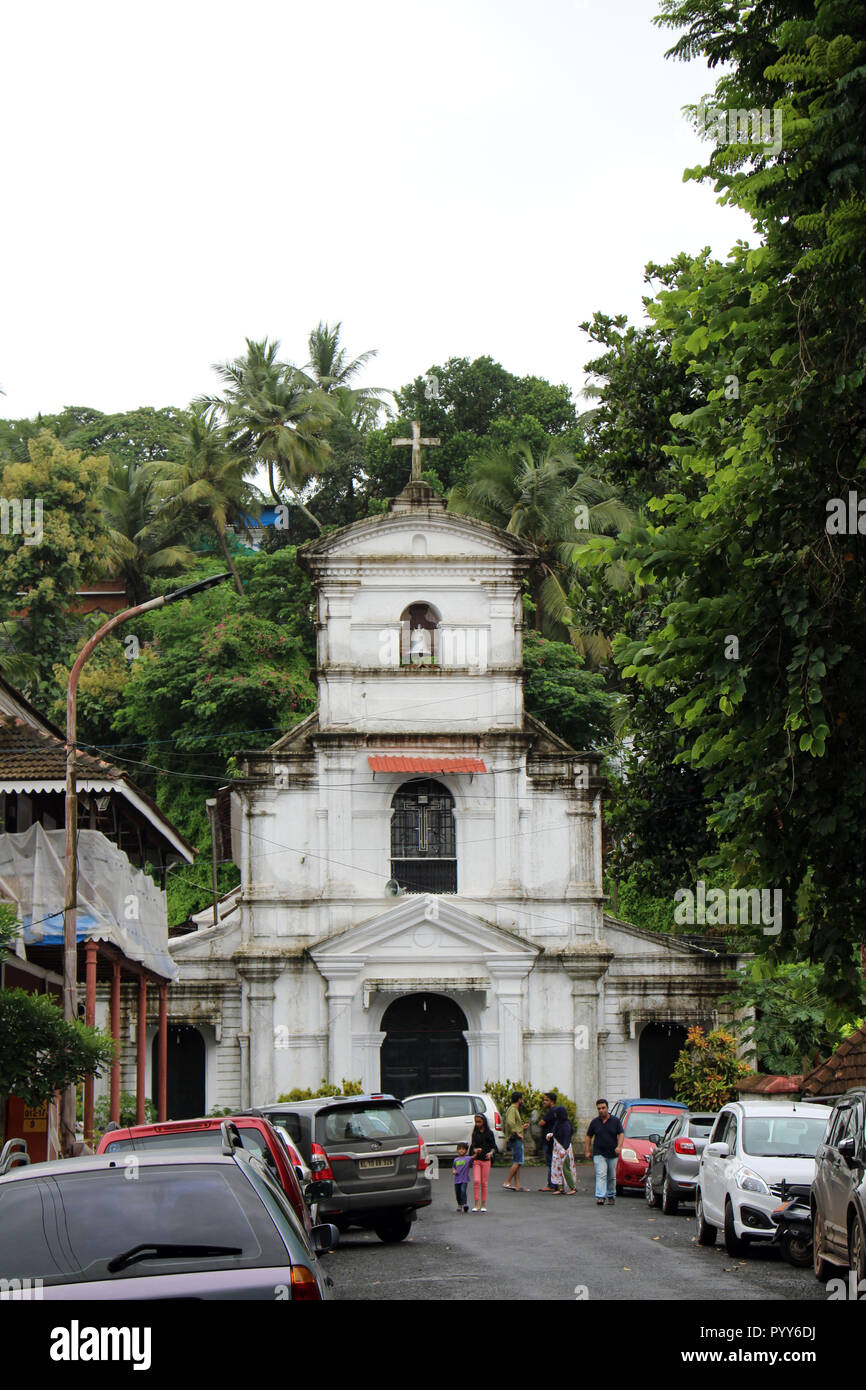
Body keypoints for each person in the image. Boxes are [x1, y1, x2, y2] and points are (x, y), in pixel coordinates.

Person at [585, 1097, 624, 1205]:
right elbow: (588, 1136)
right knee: (601, 1174)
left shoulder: (615, 1121)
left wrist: (619, 1146)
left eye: (603, 1108)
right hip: (599, 1153)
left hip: (612, 1153)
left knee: (611, 1176)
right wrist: (587, 1150)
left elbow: (621, 1133)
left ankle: (611, 1195)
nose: (601, 1110)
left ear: (607, 1108)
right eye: (599, 1108)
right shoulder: (595, 1122)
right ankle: (601, 1196)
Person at [545, 1096, 576, 1196]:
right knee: (557, 1168)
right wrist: (551, 1135)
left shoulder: (566, 1125)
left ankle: (572, 1187)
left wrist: (564, 1150)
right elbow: (557, 1133)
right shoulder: (558, 1123)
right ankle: (560, 1187)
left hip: (563, 1150)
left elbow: (567, 1138)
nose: (554, 1115)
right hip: (557, 1149)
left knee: (565, 1169)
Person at [467, 1112, 496, 1211]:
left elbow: (494, 1147)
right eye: (476, 1122)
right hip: (477, 1160)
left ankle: (483, 1204)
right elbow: (472, 1146)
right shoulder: (475, 1133)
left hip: (486, 1160)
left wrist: (490, 1153)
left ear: (484, 1121)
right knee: (476, 1181)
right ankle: (476, 1204)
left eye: (479, 1122)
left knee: (484, 1182)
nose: (477, 1124)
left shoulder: (489, 1133)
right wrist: (474, 1150)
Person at [503, 1091, 529, 1190]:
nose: (522, 1100)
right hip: (515, 1138)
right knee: (518, 1161)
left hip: (515, 1136)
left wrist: (521, 1127)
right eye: (522, 1099)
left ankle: (517, 1184)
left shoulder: (513, 1109)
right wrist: (517, 1132)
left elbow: (513, 1124)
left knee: (517, 1161)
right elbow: (510, 1122)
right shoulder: (513, 1109)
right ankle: (507, 1181)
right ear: (519, 1099)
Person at [452, 1142, 473, 1213]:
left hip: (464, 1179)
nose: (461, 1150)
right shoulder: (455, 1160)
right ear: (457, 1150)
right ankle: (459, 1205)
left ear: (466, 1151)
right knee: (457, 1193)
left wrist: (477, 1152)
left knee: (463, 1191)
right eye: (459, 1149)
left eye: (463, 1149)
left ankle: (465, 1204)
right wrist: (454, 1171)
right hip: (457, 1179)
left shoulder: (468, 1158)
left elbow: (473, 1157)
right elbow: (454, 1167)